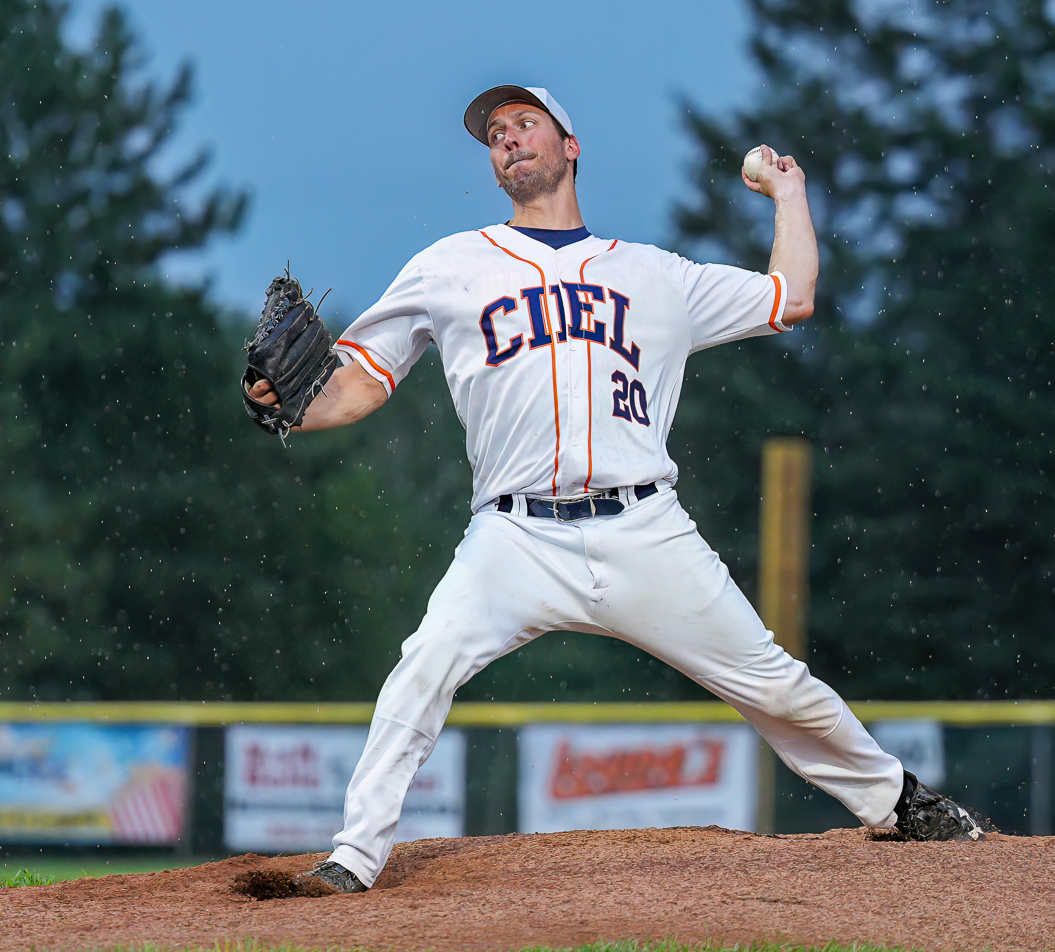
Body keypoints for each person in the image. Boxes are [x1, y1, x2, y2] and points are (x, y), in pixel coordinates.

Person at [246, 85, 982, 895]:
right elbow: (356, 386)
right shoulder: (447, 267)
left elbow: (790, 297)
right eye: (494, 134)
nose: (508, 139)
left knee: (772, 679)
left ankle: (897, 801)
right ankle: (354, 857)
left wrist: (791, 194)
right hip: (514, 537)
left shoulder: (656, 275)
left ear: (571, 146)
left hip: (645, 529)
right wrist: (288, 403)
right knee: (422, 667)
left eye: (526, 124)